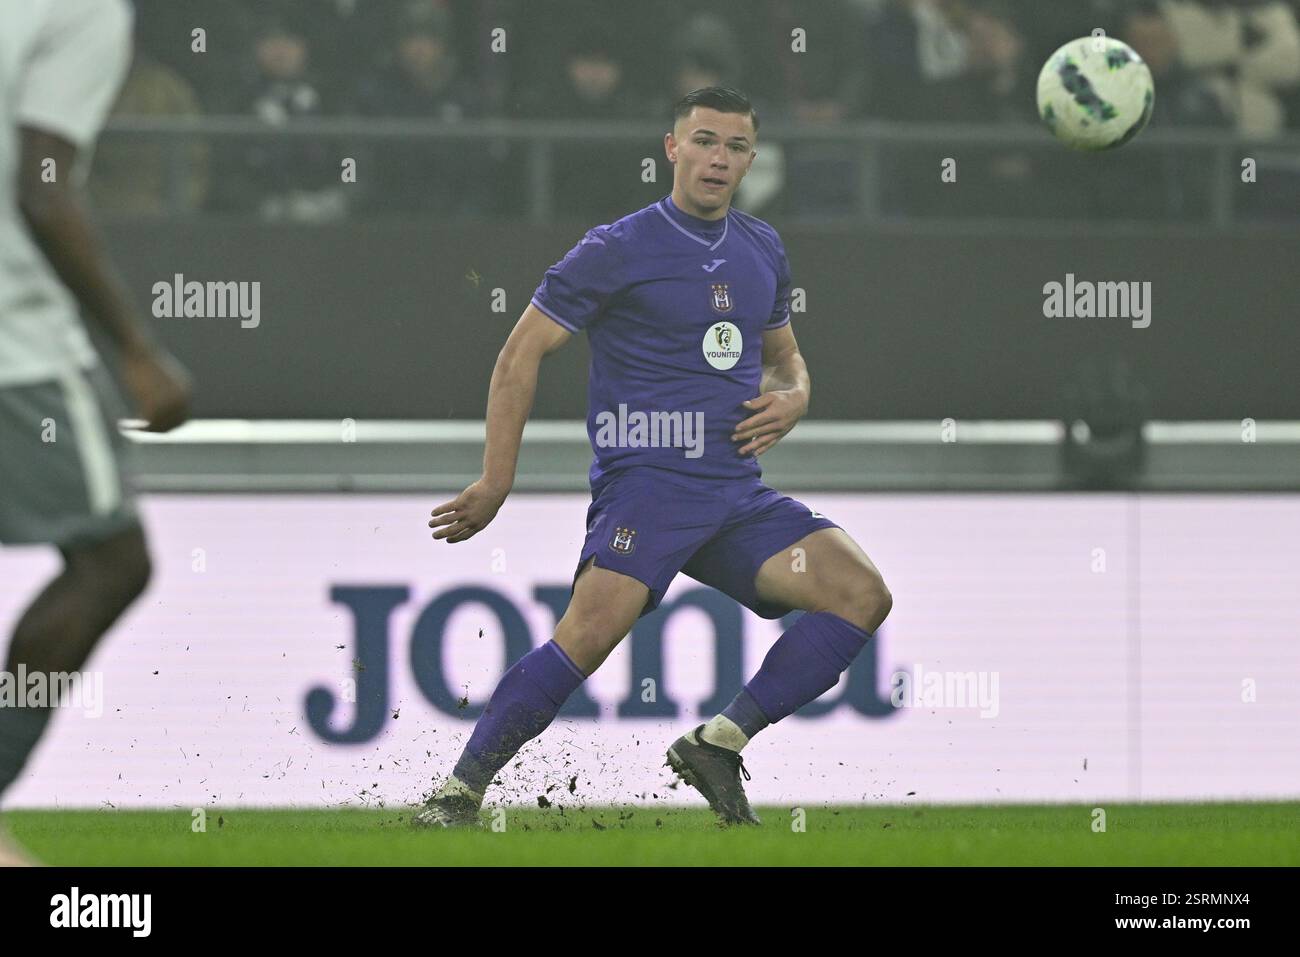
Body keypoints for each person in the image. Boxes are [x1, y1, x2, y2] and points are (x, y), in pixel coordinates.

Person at [420, 87, 892, 827]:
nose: (718, 158)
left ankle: (718, 742)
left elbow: (786, 361)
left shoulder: (763, 248)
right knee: (587, 633)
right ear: (671, 149)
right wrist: (495, 480)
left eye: (736, 146)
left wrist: (796, 395)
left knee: (861, 593)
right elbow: (519, 353)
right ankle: (457, 793)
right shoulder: (616, 247)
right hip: (648, 486)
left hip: (736, 494)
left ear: (752, 159)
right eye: (704, 140)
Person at [0, 0, 191, 863]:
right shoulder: (81, 8)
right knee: (112, 557)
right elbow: (42, 186)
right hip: (15, 346)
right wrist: (137, 347)